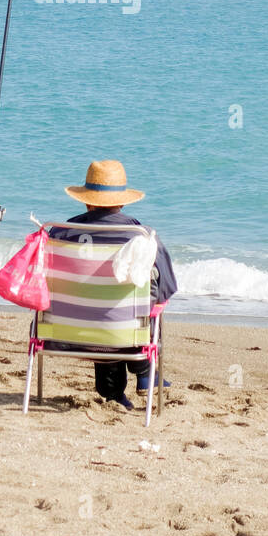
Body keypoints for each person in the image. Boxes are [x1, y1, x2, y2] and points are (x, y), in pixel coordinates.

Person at [52, 158, 177, 411]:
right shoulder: (138, 234)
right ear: (122, 200)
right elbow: (167, 285)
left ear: (85, 199)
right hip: (126, 330)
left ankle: (113, 393)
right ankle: (145, 371)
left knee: (96, 304)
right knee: (137, 303)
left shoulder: (60, 232)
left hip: (67, 332)